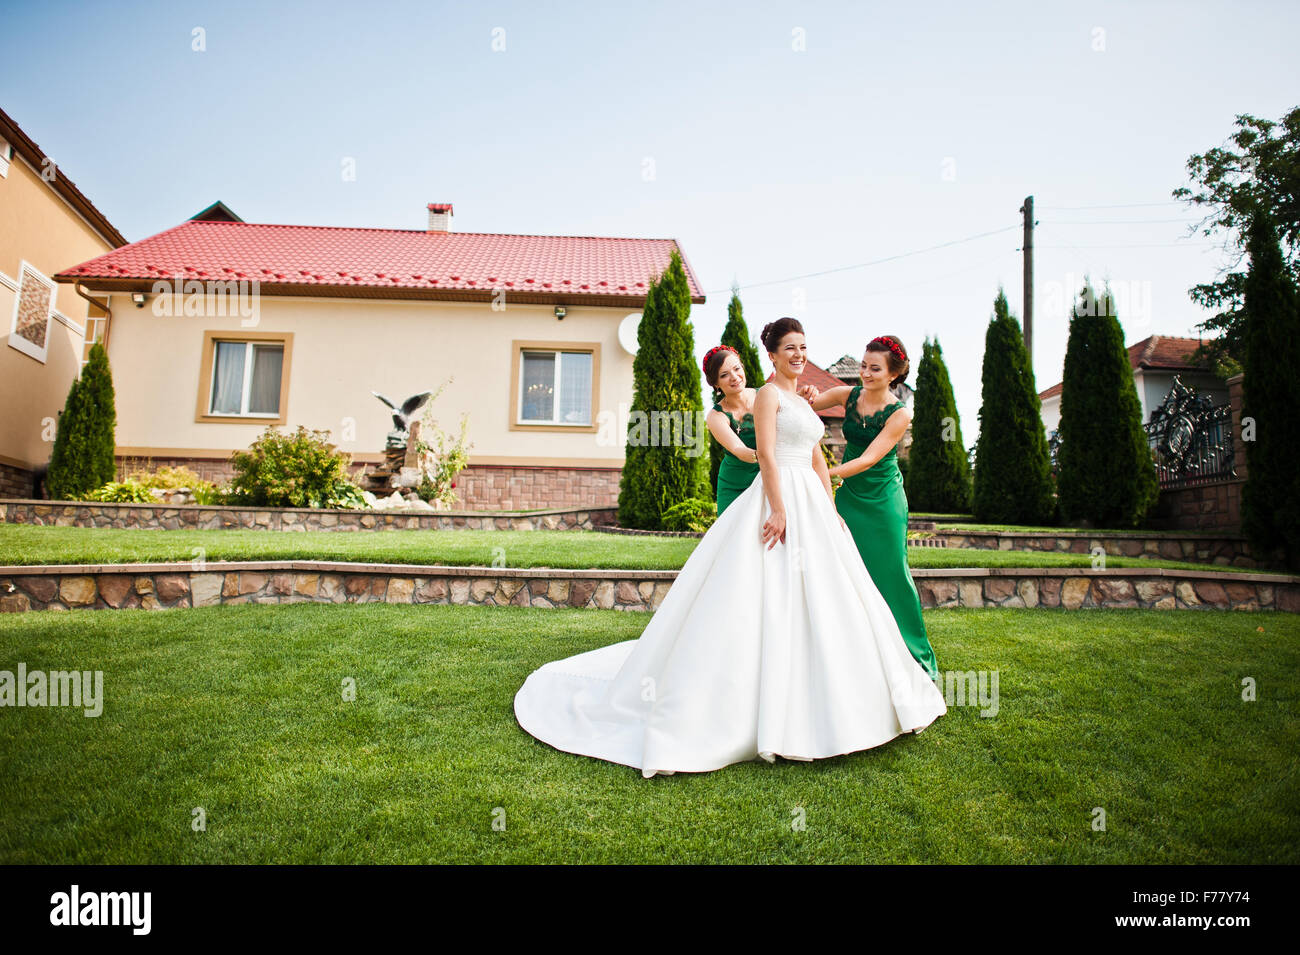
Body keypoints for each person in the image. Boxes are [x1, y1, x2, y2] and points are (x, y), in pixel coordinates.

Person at [513, 318, 947, 778]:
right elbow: (766, 453)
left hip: (814, 505)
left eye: (803, 347)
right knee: (760, 592)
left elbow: (817, 455)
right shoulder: (767, 395)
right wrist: (778, 510)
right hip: (779, 496)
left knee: (834, 597)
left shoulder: (804, 401)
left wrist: (829, 505)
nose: (799, 355)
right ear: (774, 356)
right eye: (790, 349)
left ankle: (842, 700)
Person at [807, 335, 939, 678]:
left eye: (874, 368)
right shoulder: (847, 396)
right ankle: (859, 654)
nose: (865, 373)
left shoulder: (900, 414)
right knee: (849, 571)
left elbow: (868, 458)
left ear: (893, 374)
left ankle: (915, 656)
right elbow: (808, 406)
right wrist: (806, 396)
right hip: (849, 498)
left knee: (892, 573)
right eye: (864, 365)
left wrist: (825, 473)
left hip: (882, 500)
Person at [704, 344, 820, 515]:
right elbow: (739, 449)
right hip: (736, 484)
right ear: (716, 384)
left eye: (737, 369)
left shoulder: (767, 394)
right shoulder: (716, 416)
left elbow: (791, 409)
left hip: (772, 478)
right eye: (724, 375)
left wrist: (806, 394)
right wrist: (765, 456)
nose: (734, 377)